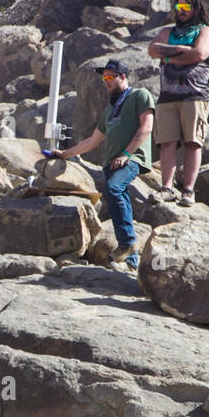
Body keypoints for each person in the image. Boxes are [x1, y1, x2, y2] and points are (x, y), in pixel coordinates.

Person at [53, 60, 155, 269]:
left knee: (113, 189)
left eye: (110, 77)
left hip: (130, 158)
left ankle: (126, 243)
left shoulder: (140, 95)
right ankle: (132, 261)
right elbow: (93, 141)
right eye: (104, 78)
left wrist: (127, 153)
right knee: (119, 198)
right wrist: (65, 154)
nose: (106, 81)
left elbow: (147, 127)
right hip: (111, 163)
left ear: (123, 77)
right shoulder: (110, 108)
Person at [147, 0, 209, 207]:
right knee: (166, 142)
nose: (182, 12)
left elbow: (199, 54)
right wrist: (179, 50)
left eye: (186, 8)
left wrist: (168, 55)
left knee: (192, 143)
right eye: (179, 8)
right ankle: (167, 187)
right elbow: (152, 49)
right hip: (167, 96)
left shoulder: (206, 31)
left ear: (196, 9)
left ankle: (188, 190)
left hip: (195, 95)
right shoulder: (168, 31)